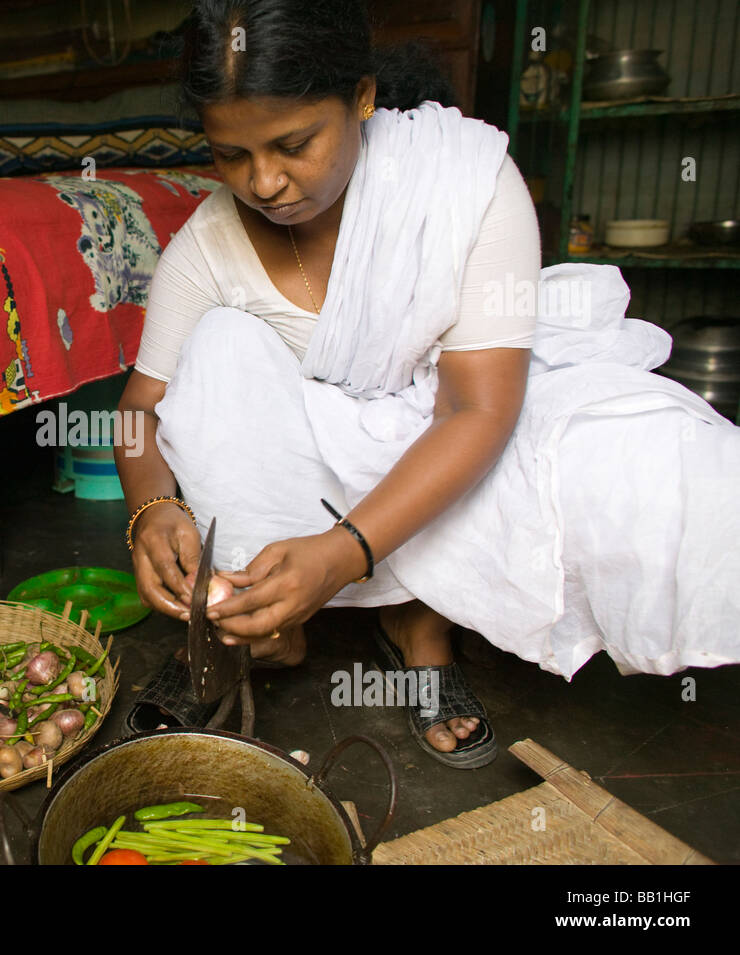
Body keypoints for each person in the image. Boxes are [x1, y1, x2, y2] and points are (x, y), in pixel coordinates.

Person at [115, 0, 740, 768]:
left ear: (364, 98)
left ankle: (420, 623)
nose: (265, 182)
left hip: (456, 436)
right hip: (319, 458)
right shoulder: (207, 245)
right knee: (216, 356)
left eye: (294, 143)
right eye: (231, 155)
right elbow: (139, 411)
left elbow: (477, 406)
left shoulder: (463, 181)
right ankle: (259, 625)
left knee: (670, 462)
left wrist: (343, 552)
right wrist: (151, 508)